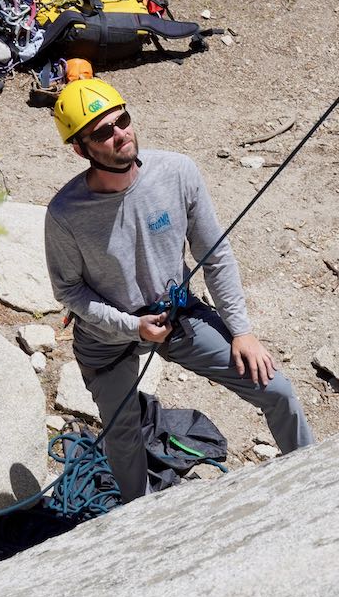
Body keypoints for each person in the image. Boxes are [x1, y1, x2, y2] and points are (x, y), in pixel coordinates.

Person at [44, 77, 314, 501]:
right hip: (108, 335)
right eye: (103, 132)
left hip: (177, 314)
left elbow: (215, 255)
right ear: (80, 149)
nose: (120, 135)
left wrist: (241, 331)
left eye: (123, 120)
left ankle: (314, 476)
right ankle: (138, 517)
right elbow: (70, 292)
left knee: (276, 389)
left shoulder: (177, 172)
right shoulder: (65, 214)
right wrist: (131, 327)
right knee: (122, 432)